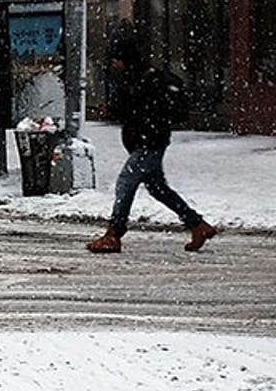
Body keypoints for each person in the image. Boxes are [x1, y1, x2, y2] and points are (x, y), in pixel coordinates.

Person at [87, 23, 218, 254]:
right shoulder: (137, 77)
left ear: (125, 59)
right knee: (158, 189)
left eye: (116, 59)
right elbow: (130, 109)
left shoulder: (143, 80)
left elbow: (138, 110)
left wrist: (122, 111)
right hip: (147, 141)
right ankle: (198, 225)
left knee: (125, 183)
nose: (113, 64)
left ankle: (114, 234)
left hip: (149, 143)